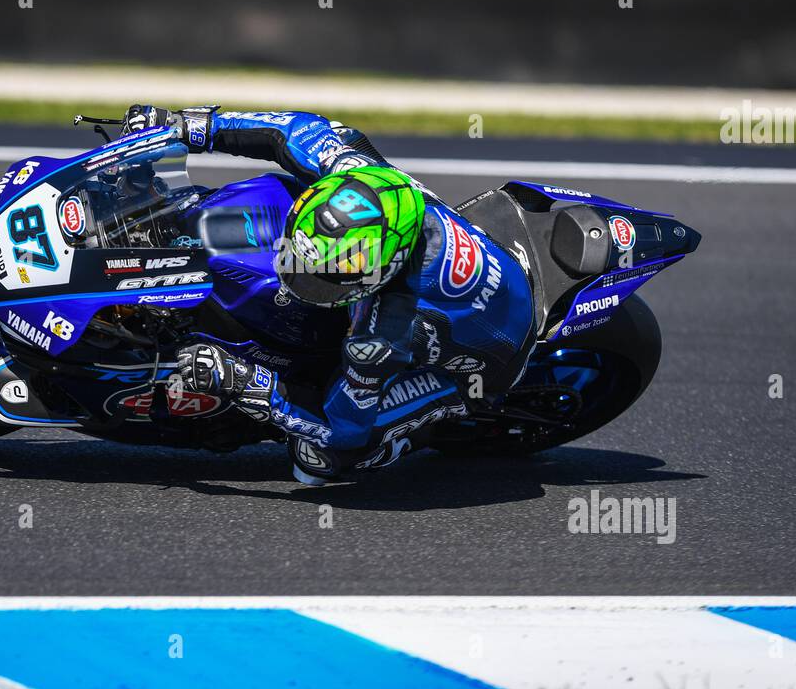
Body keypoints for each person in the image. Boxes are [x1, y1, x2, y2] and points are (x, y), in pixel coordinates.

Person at [122, 104, 538, 485]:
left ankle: (417, 428)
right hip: (470, 259)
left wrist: (249, 384)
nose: (300, 280)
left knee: (319, 461)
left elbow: (342, 428)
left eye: (325, 277)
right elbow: (291, 129)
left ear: (381, 274)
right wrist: (186, 126)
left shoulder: (386, 331)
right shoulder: (353, 171)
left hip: (486, 358)